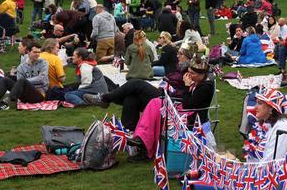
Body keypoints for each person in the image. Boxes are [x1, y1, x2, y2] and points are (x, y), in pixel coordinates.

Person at [85, 57, 213, 158]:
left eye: (192, 73)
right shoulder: (197, 81)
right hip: (173, 103)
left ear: (202, 74)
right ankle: (136, 137)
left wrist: (186, 85)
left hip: (181, 113)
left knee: (136, 83)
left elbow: (188, 104)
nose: (189, 75)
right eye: (188, 72)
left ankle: (105, 99)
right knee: (132, 98)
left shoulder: (205, 86)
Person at [246, 88, 287, 188]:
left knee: (236, 186)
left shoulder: (282, 129)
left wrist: (246, 176)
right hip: (274, 175)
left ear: (271, 108)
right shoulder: (267, 124)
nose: (255, 107)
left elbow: (270, 164)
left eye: (259, 103)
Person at [0, 41, 49, 109]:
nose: (37, 54)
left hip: (39, 94)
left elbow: (42, 79)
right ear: (28, 52)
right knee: (5, 80)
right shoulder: (21, 67)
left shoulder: (43, 63)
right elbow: (19, 83)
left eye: (39, 52)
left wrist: (25, 81)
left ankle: (7, 102)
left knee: (22, 81)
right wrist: (24, 82)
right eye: (35, 52)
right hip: (24, 95)